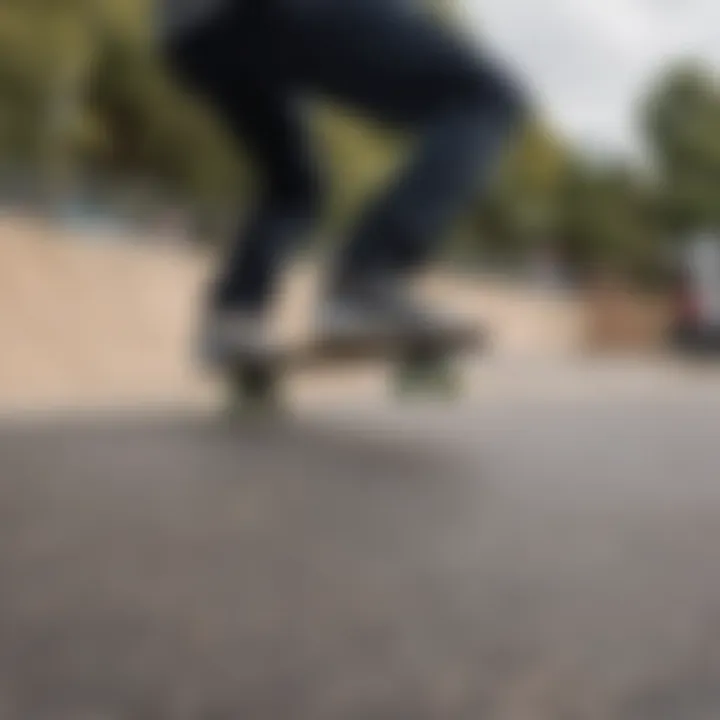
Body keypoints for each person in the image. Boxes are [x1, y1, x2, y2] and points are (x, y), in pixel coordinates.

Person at [158, 0, 525, 362]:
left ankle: (233, 317)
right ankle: (366, 280)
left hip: (193, 33)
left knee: (295, 186)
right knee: (484, 97)